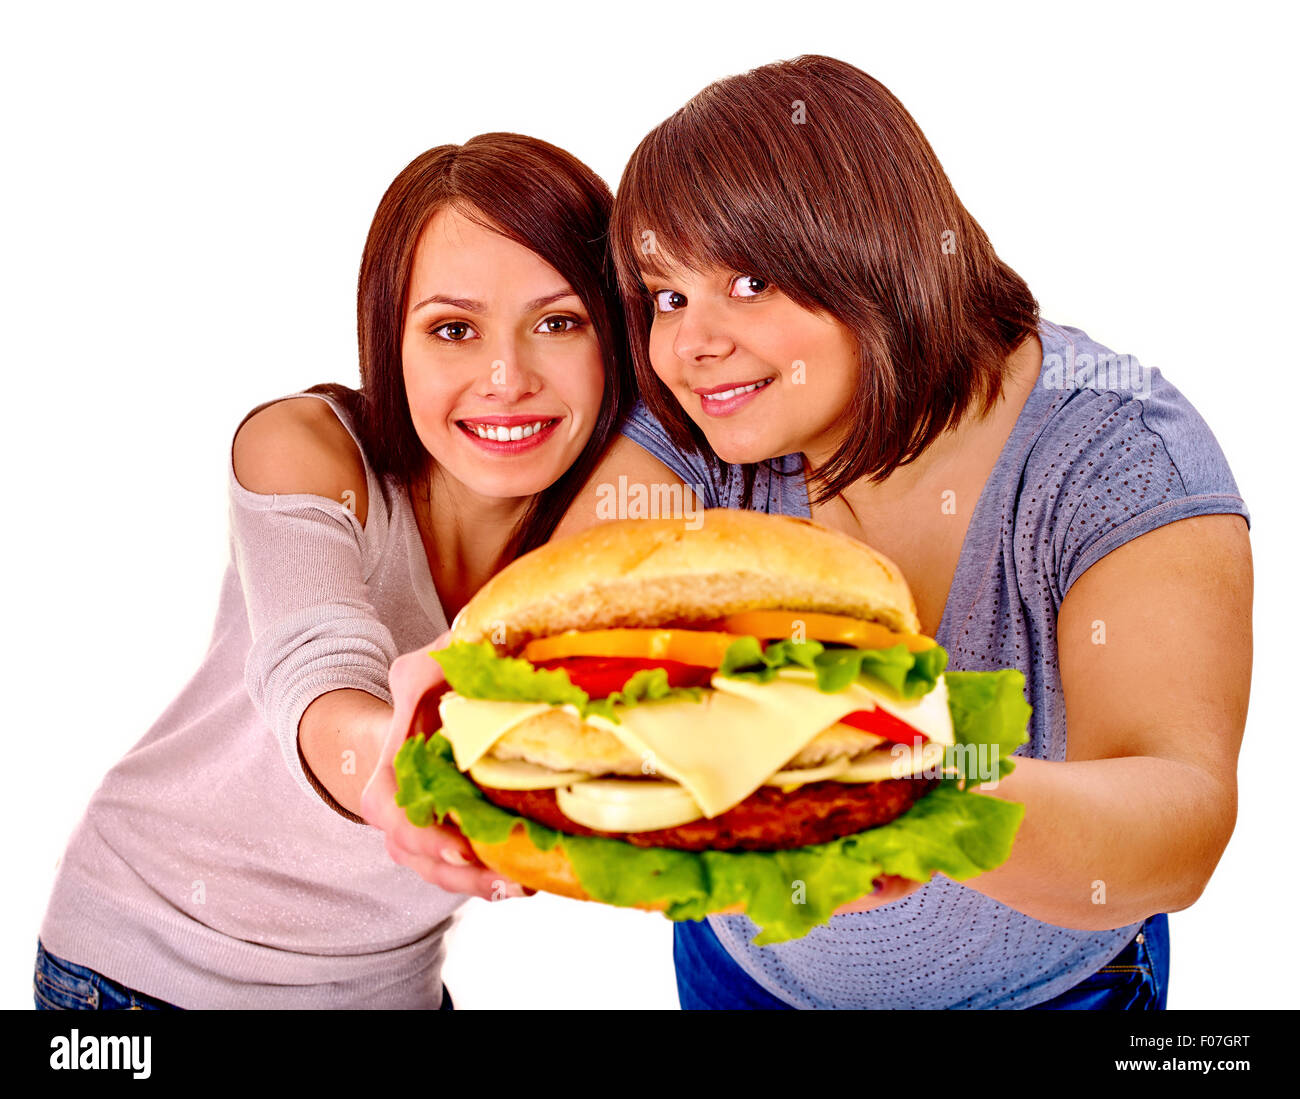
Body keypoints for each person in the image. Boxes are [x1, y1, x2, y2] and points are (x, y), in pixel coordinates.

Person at [520, 54, 1249, 1009]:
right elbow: (564, 603)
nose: (693, 344)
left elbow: (1180, 820)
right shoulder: (701, 419)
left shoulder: (1115, 448)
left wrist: (917, 796)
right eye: (667, 295)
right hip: (745, 973)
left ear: (870, 250)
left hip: (1052, 994)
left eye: (747, 280)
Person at [33, 133, 645, 1009]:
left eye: (557, 322)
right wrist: (403, 767)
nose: (506, 376)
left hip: (385, 989)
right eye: (453, 329)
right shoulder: (304, 450)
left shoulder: (618, 520)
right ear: (388, 339)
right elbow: (316, 672)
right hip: (140, 972)